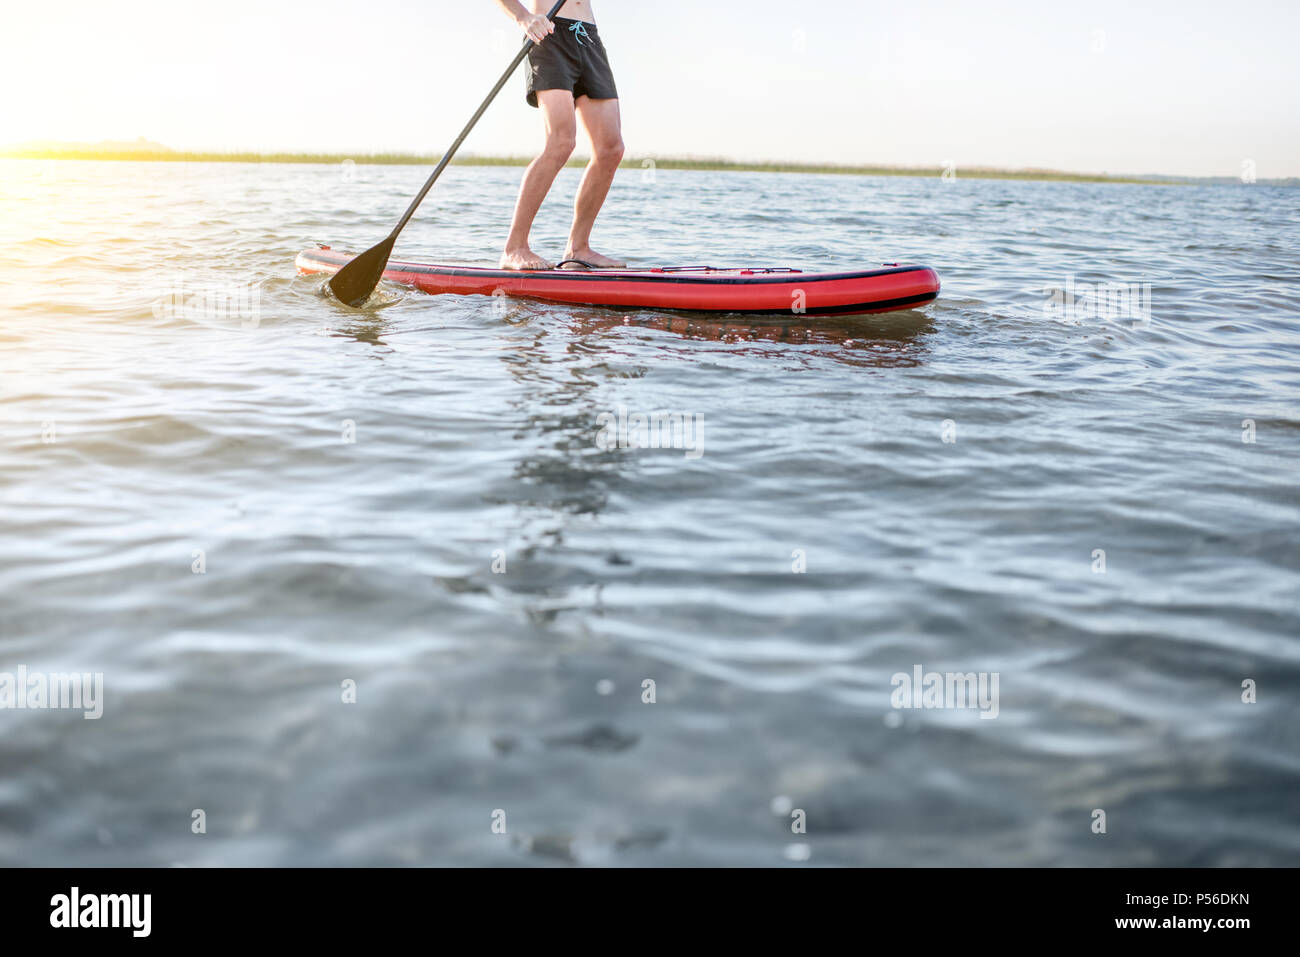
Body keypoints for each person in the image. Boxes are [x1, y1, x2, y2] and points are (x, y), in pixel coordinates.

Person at [494, 1, 625, 270]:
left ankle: (578, 249)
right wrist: (522, 17)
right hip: (549, 32)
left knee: (610, 148)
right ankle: (515, 247)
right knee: (561, 141)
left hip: (587, 36)